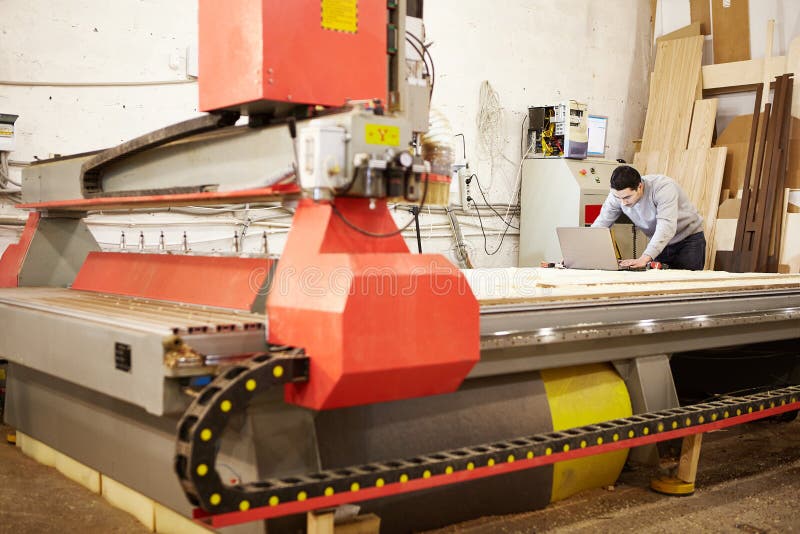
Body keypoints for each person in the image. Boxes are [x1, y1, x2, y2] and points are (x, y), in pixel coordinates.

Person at [591, 165, 706, 270]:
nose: (623, 203)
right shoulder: (618, 196)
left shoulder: (663, 187)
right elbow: (601, 224)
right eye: (618, 198)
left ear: (640, 186)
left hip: (688, 240)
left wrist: (644, 258)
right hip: (660, 242)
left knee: (687, 285)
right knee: (658, 287)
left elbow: (666, 226)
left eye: (627, 197)